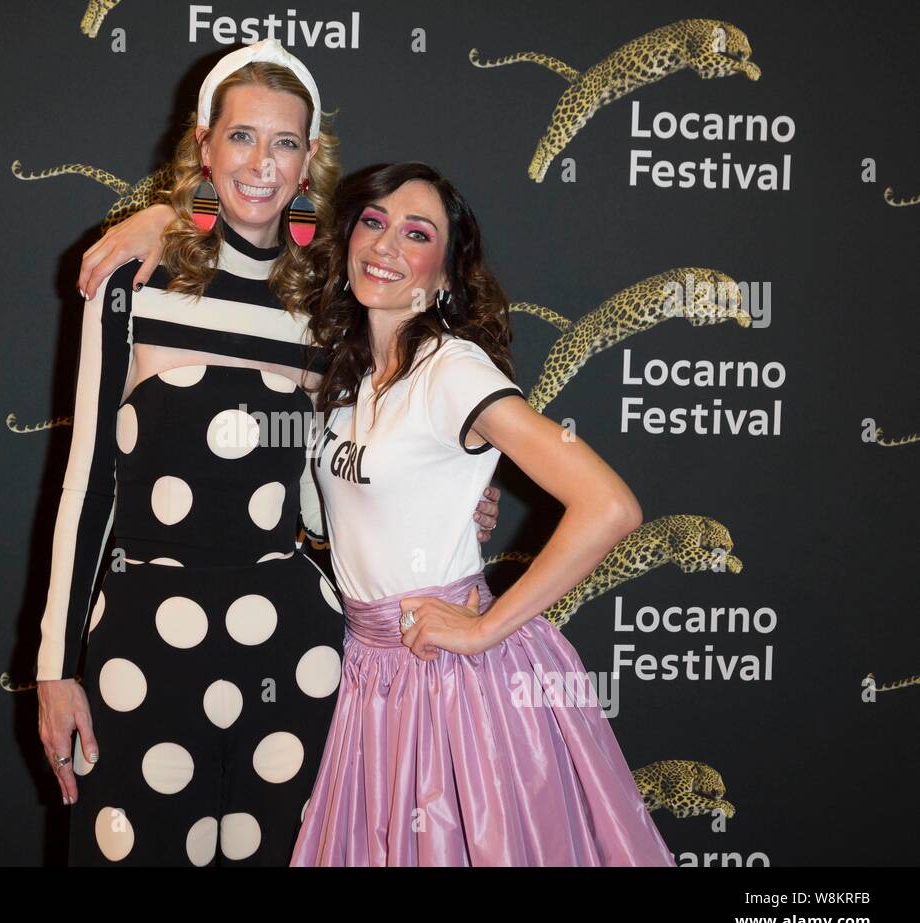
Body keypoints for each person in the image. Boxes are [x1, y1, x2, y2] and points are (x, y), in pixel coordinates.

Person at [34, 40, 500, 866]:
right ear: (203, 145)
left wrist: (451, 501)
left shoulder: (330, 305)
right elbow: (87, 484)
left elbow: (340, 482)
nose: (261, 163)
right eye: (241, 137)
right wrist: (55, 664)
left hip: (296, 642)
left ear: (309, 160)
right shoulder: (134, 278)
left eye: (285, 143)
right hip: (145, 638)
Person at [289, 162, 677, 866]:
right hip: (372, 675)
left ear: (442, 274)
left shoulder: (451, 369)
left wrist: (487, 627)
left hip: (451, 684)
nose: (386, 246)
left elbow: (610, 506)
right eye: (373, 223)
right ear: (346, 241)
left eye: (417, 233)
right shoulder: (349, 383)